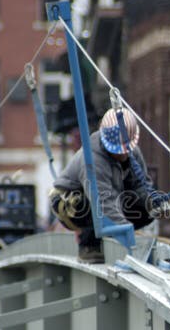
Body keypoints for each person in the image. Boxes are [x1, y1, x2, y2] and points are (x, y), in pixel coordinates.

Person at [50, 108, 162, 262]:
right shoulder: (93, 160)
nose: (122, 154)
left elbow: (141, 186)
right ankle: (89, 247)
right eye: (117, 150)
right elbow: (102, 202)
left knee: (147, 209)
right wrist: (127, 236)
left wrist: (152, 202)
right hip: (70, 202)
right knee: (89, 205)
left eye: (125, 150)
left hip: (110, 198)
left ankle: (110, 237)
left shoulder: (133, 153)